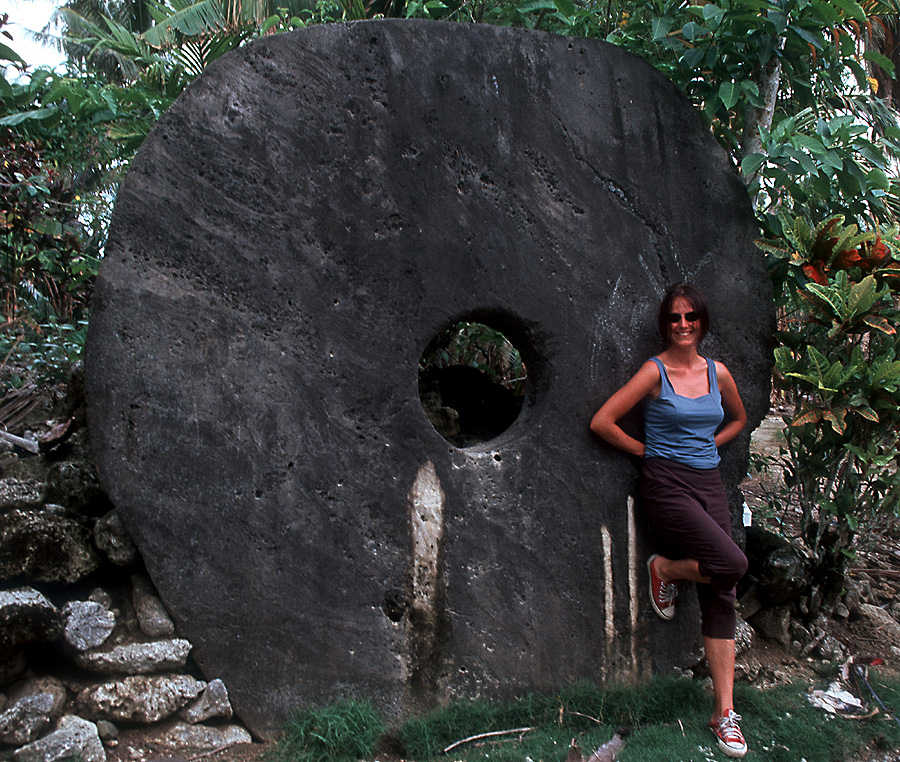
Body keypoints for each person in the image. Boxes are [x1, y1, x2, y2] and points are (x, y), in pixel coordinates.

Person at [590, 283, 750, 759]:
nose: (683, 325)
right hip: (665, 485)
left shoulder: (718, 373)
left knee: (722, 590)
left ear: (702, 323)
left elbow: (738, 419)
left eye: (691, 318)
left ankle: (724, 714)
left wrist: (709, 446)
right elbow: (603, 421)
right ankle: (667, 569)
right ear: (666, 325)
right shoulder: (654, 372)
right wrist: (651, 453)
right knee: (733, 564)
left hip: (709, 482)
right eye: (675, 318)